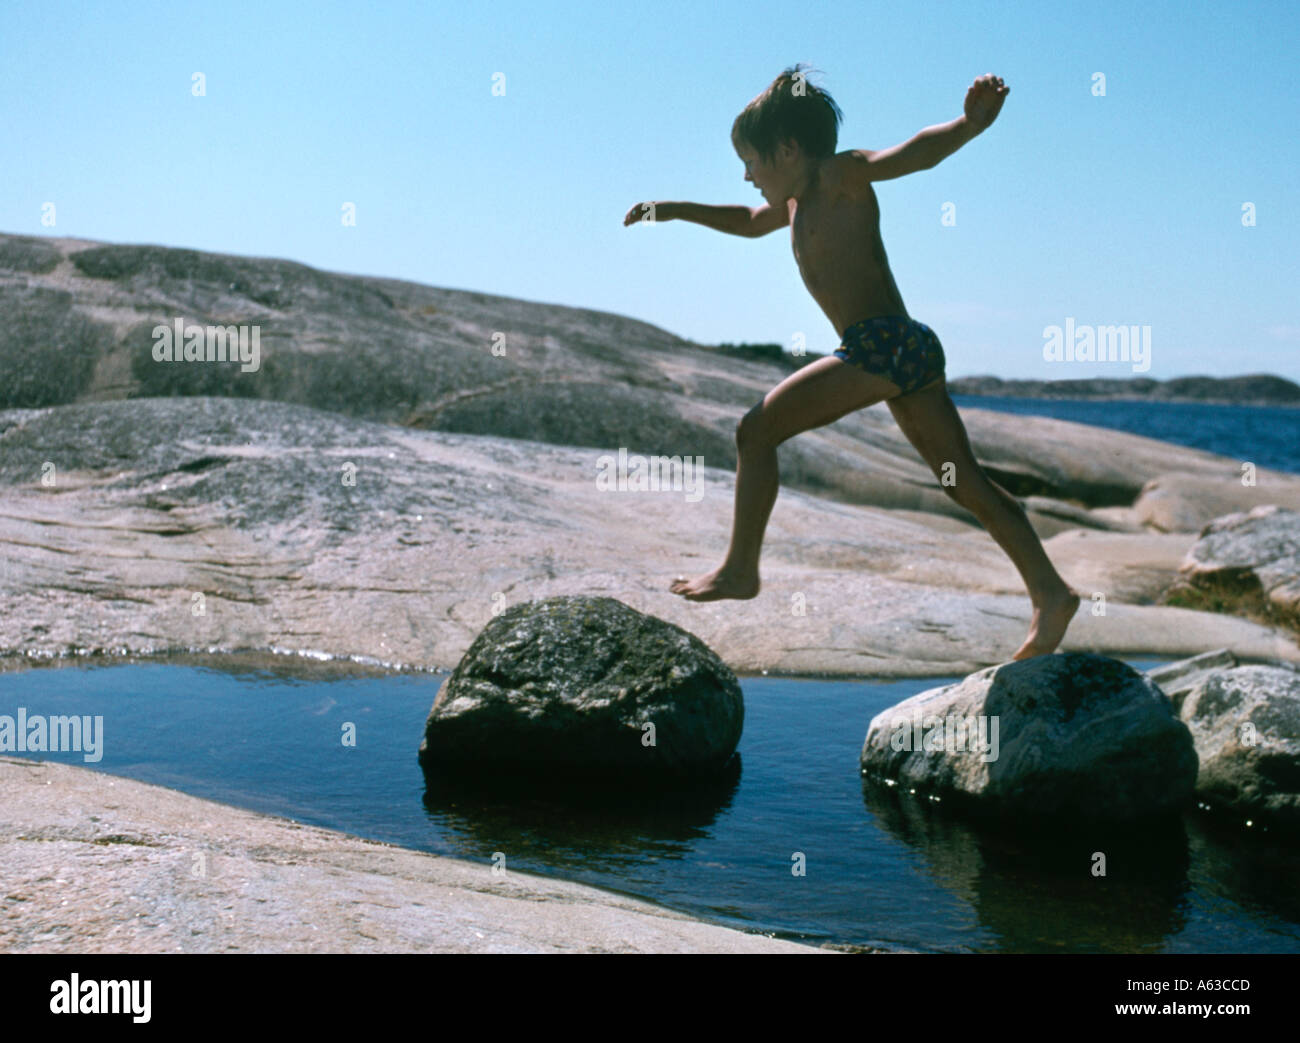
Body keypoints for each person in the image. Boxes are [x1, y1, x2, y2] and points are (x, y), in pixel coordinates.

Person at [623, 64, 1079, 659]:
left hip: (882, 345)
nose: (746, 175)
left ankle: (739, 570)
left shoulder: (839, 176)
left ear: (787, 149)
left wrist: (968, 125)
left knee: (756, 430)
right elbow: (743, 221)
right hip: (904, 354)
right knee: (965, 482)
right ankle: (1053, 593)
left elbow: (911, 155)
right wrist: (673, 209)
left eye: (752, 162)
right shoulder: (792, 204)